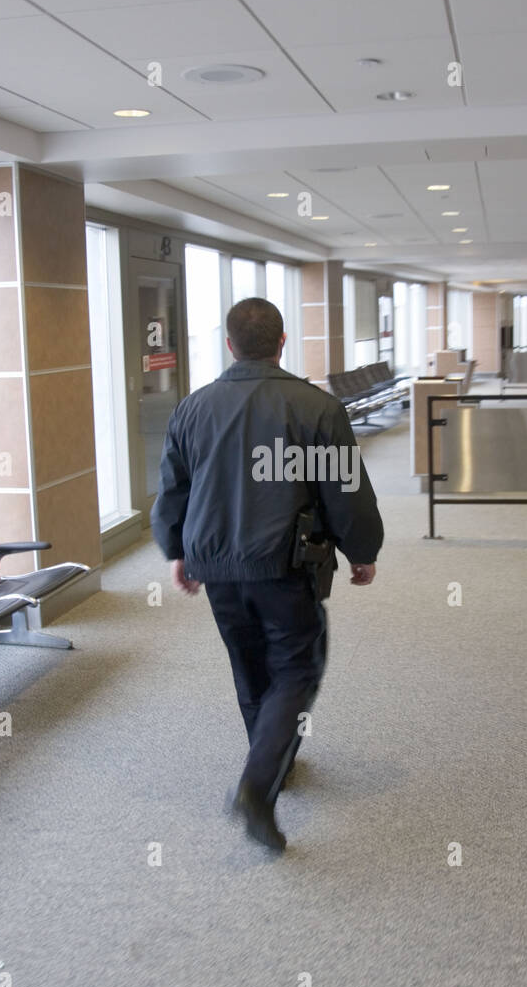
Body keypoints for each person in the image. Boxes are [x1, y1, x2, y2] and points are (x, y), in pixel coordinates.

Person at [151, 297, 383, 853]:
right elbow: (343, 488)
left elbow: (174, 488)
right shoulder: (316, 407)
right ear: (282, 343)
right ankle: (259, 784)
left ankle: (270, 761)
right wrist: (362, 549)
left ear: (229, 345)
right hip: (284, 562)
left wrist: (178, 548)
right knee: (298, 666)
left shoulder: (192, 407)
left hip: (217, 565)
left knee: (249, 662)